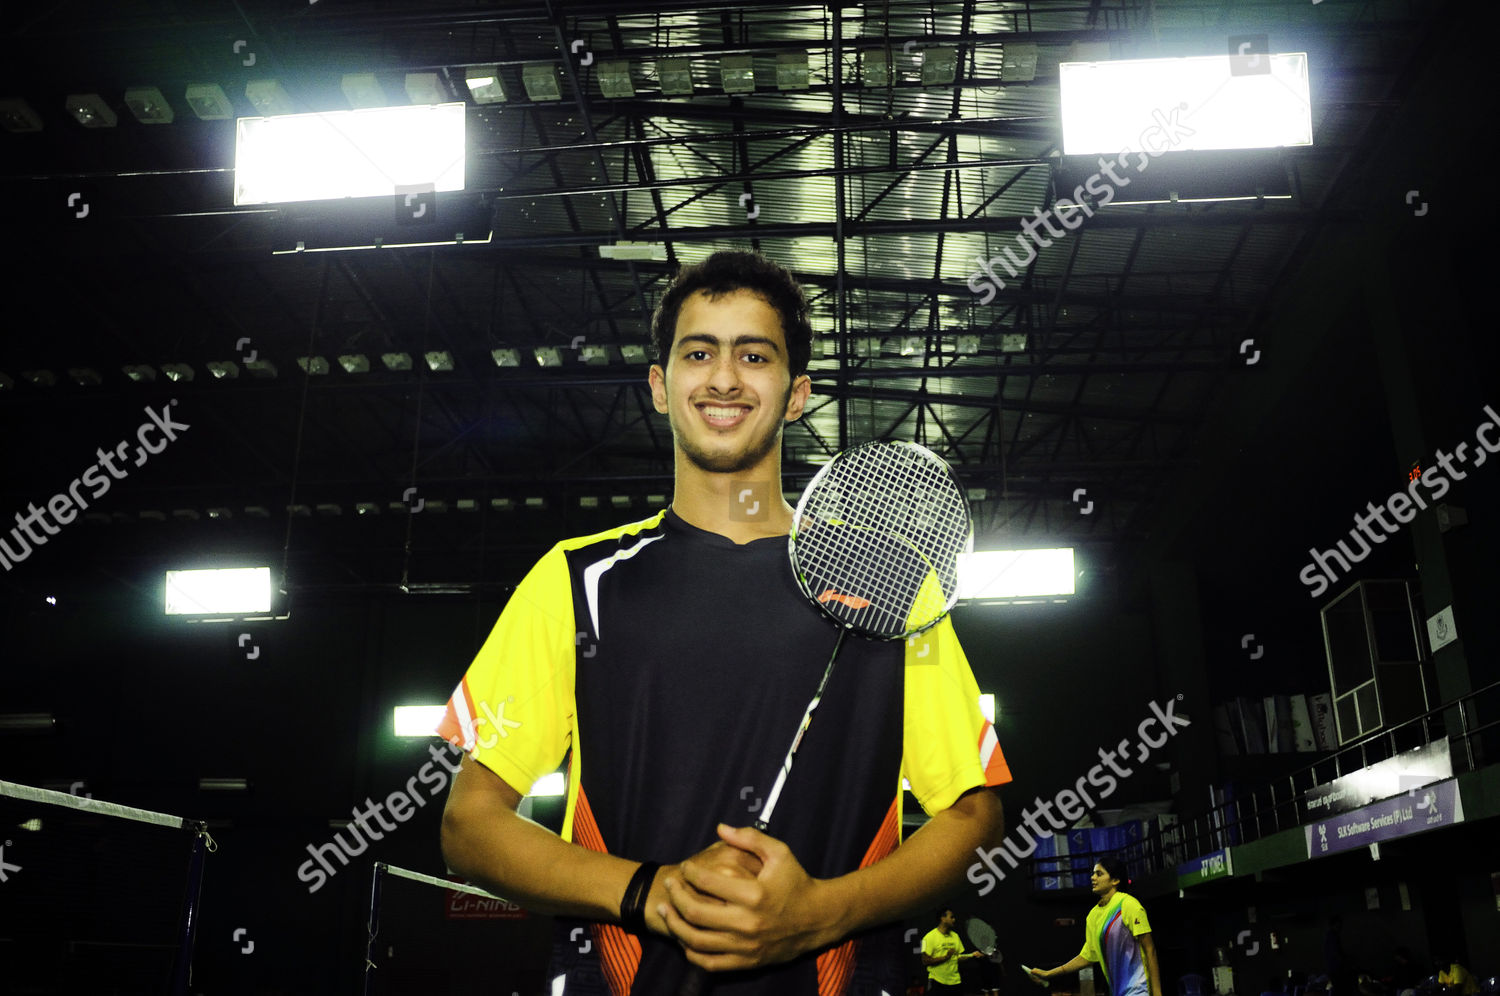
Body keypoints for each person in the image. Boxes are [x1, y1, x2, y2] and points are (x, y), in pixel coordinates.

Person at [437, 250, 1011, 995]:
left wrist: (827, 912)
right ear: (659, 386)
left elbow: (975, 815)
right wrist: (649, 891)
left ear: (797, 393)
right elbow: (469, 825)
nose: (725, 379)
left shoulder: (890, 580)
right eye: (698, 352)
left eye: (755, 355)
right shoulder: (575, 579)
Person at [1028, 857, 1162, 996]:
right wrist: (1048, 974)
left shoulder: (1128, 905)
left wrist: (1157, 992)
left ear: (1115, 880)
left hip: (1139, 989)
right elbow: (1086, 957)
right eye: (1093, 873)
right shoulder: (1093, 915)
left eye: (1099, 874)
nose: (1093, 878)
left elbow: (1149, 949)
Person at [922, 908, 984, 993]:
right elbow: (925, 961)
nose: (954, 920)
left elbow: (957, 957)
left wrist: (972, 955)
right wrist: (945, 957)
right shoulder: (928, 938)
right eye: (951, 917)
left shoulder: (955, 936)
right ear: (943, 919)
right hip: (937, 981)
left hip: (955, 981)